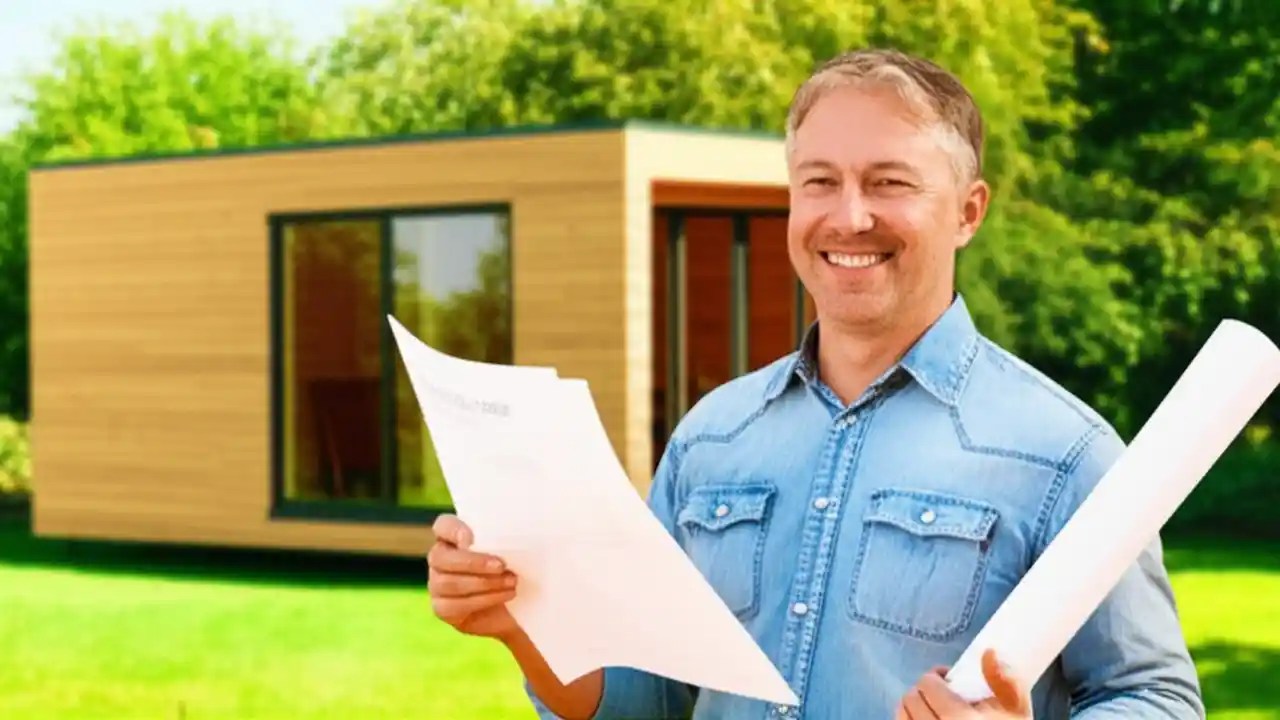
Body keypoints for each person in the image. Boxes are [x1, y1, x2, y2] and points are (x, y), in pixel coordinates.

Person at [425, 48, 1206, 719]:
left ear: (968, 212)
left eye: (890, 182)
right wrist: (517, 623)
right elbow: (645, 699)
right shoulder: (713, 437)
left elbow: (1159, 696)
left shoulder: (1066, 455)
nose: (849, 216)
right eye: (820, 181)